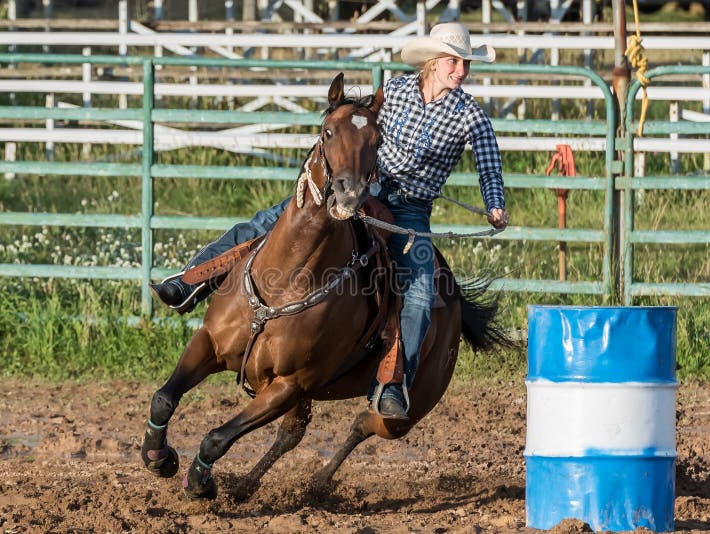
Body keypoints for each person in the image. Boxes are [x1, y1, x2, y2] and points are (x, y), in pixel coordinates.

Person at [150, 22, 509, 420]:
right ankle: (191, 281)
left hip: (409, 210)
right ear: (433, 62)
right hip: (359, 185)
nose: (460, 71)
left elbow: (489, 168)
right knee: (268, 222)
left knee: (422, 288)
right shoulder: (396, 92)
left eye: (465, 64)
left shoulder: (471, 116)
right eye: (453, 62)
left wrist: (495, 205)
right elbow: (357, 128)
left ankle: (392, 381)